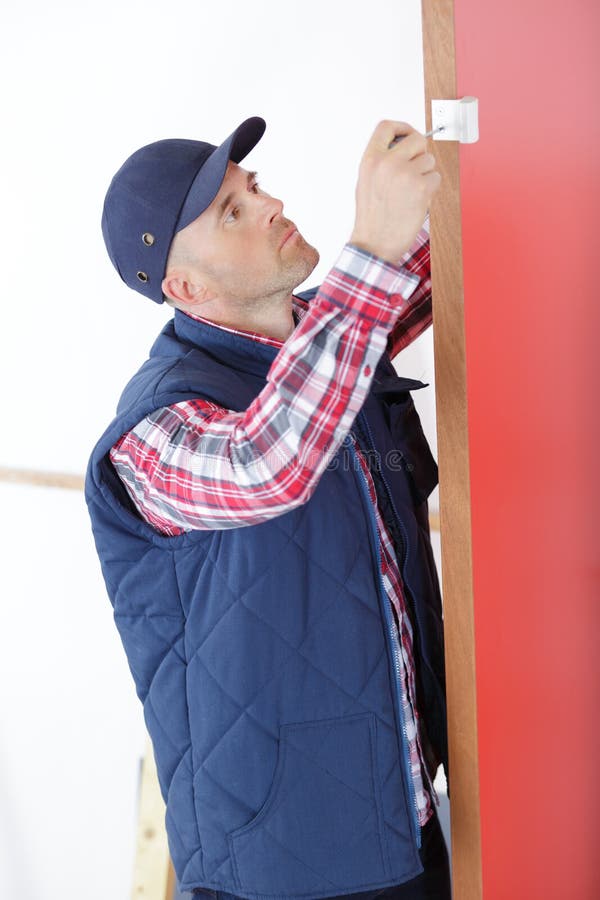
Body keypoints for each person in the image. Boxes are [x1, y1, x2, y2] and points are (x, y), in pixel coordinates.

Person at [85, 115, 451, 900]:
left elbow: (460, 248)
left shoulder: (335, 341)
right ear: (184, 289)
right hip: (280, 870)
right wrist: (372, 251)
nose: (271, 204)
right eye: (232, 213)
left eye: (251, 188)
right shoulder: (152, 430)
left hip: (404, 824)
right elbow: (267, 462)